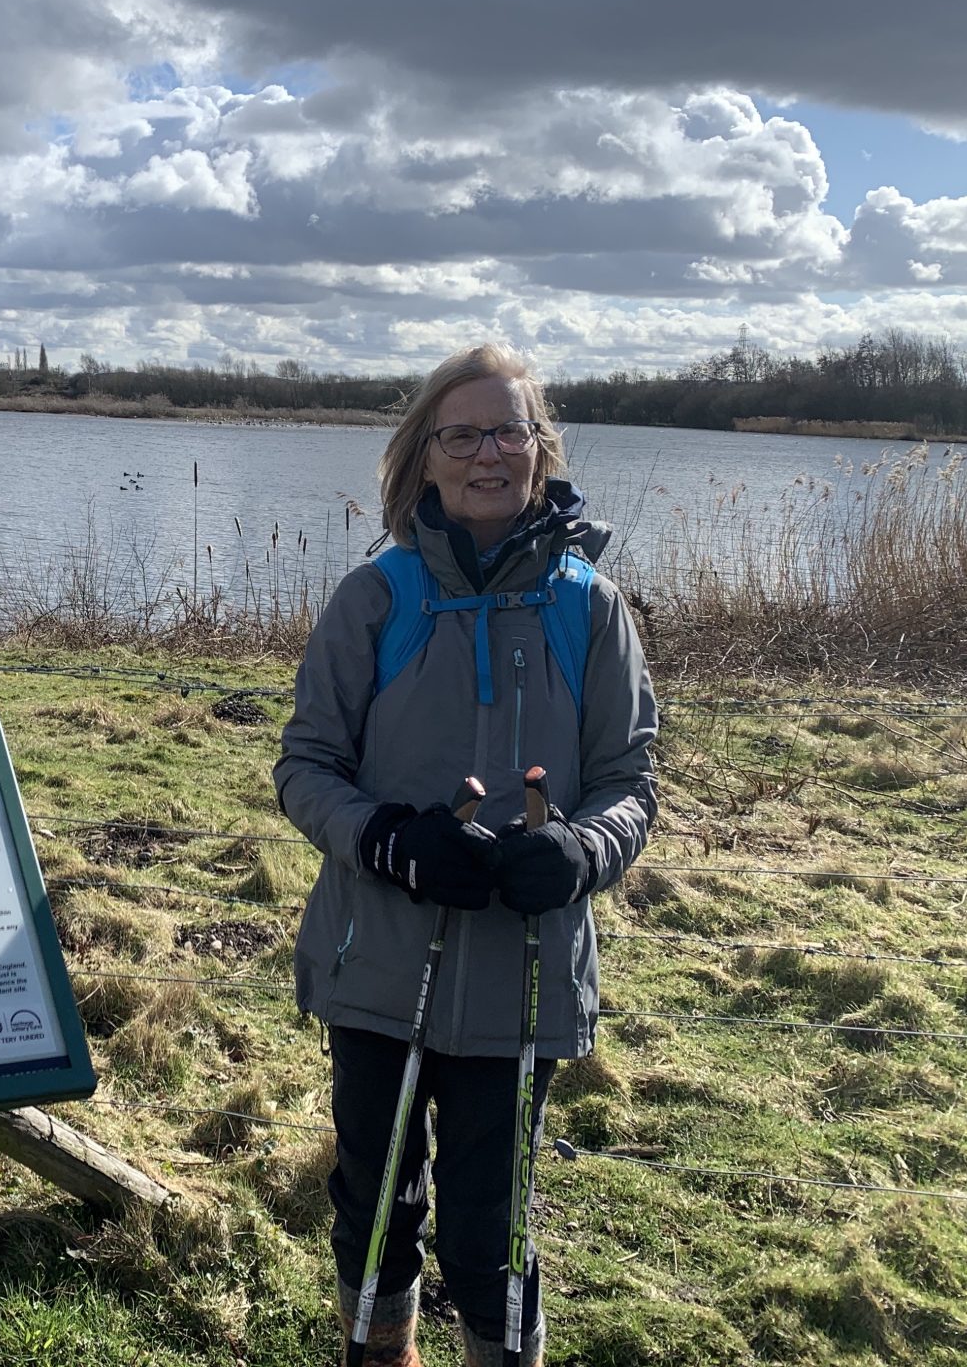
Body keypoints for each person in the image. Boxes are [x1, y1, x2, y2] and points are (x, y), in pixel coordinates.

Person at [275, 342, 658, 1367]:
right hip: (376, 962)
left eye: (508, 429)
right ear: (425, 455)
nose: (486, 452)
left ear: (540, 449)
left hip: (522, 979)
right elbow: (304, 766)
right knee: (373, 1196)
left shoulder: (590, 607)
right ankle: (377, 1352)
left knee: (494, 1219)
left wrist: (581, 852)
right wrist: (386, 840)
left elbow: (631, 779)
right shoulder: (376, 598)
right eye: (461, 433)